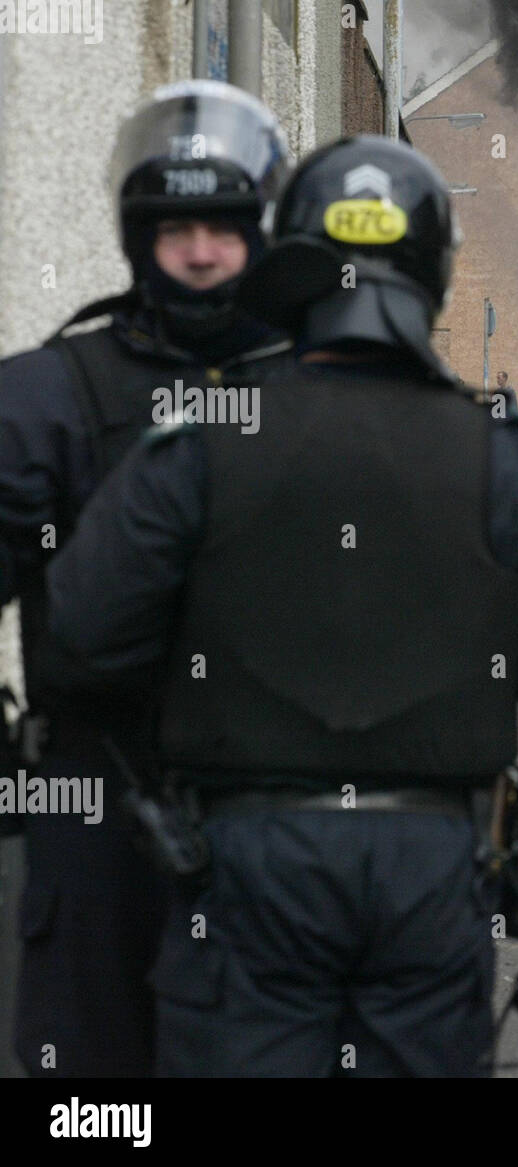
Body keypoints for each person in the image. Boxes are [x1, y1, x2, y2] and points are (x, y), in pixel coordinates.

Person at [43, 134, 518, 1078]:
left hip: (241, 865)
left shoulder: (205, 438)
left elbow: (82, 638)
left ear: (288, 261)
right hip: (434, 869)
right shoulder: (512, 458)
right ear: (438, 273)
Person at [0, 79, 293, 1077]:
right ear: (137, 233)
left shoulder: (329, 393)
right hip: (94, 804)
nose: (202, 252)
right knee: (86, 1092)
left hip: (288, 810)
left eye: (221, 224)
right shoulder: (46, 399)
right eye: (175, 227)